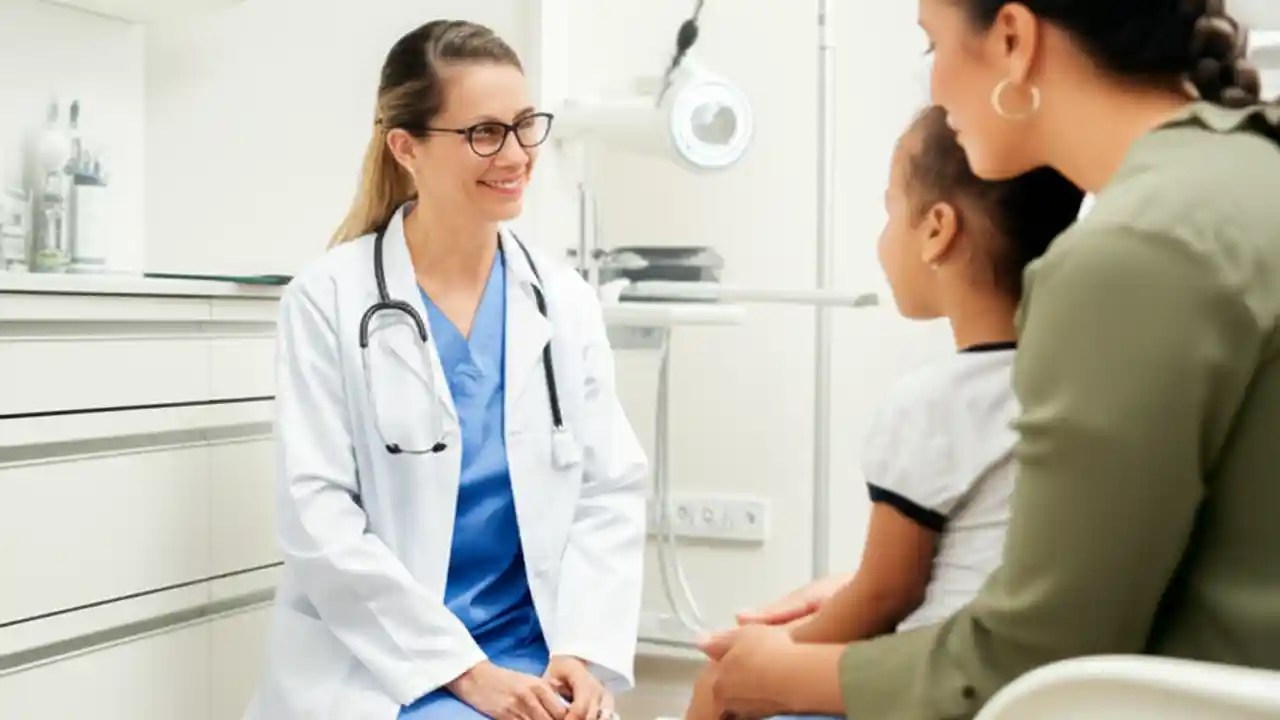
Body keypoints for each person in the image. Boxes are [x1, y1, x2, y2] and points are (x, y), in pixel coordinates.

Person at [703, 2, 1280, 719]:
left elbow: (1034, 655)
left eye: (933, 44)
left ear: (1012, 39)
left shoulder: (1133, 254)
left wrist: (774, 676)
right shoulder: (1246, 176)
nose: (935, 86)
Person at [244, 20, 647, 720]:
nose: (516, 154)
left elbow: (608, 492)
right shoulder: (329, 298)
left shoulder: (562, 300)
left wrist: (579, 652)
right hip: (388, 661)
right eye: (484, 133)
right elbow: (318, 519)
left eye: (526, 125)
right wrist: (464, 671)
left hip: (536, 651)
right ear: (407, 147)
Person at [685, 105, 1082, 720]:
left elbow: (885, 593)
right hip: (1029, 688)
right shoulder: (1076, 385)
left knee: (717, 682)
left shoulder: (933, 402)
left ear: (936, 230)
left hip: (929, 684)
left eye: (890, 208)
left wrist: (768, 654)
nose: (883, 235)